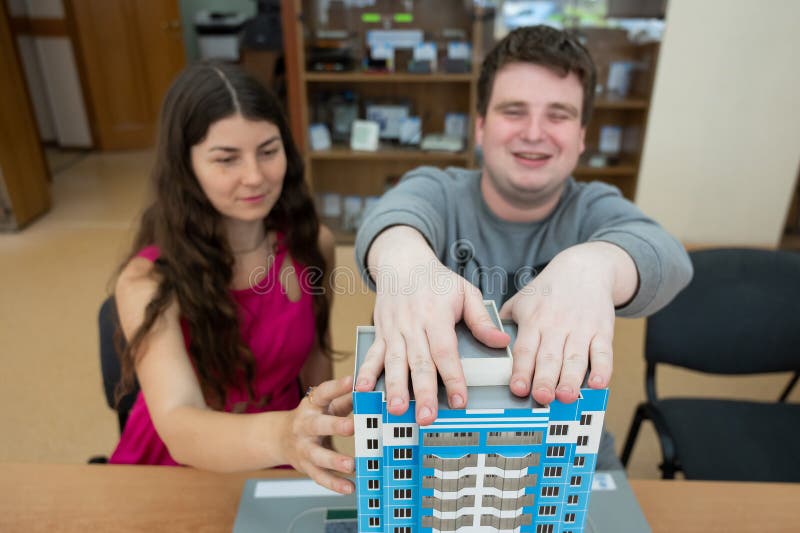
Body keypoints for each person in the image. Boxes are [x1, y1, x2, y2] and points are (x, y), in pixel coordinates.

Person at [353, 25, 693, 470]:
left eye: (558, 115)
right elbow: (393, 218)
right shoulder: (439, 191)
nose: (534, 133)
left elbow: (669, 258)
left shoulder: (593, 207)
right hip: (430, 442)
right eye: (514, 111)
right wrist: (405, 262)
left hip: (561, 450)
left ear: (582, 136)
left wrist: (594, 266)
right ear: (481, 126)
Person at [109, 63, 354, 495]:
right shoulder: (146, 280)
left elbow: (315, 356)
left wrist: (320, 436)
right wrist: (284, 436)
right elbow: (179, 422)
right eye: (226, 159)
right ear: (186, 167)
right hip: (185, 459)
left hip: (287, 446)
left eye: (268, 151)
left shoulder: (313, 244)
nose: (255, 176)